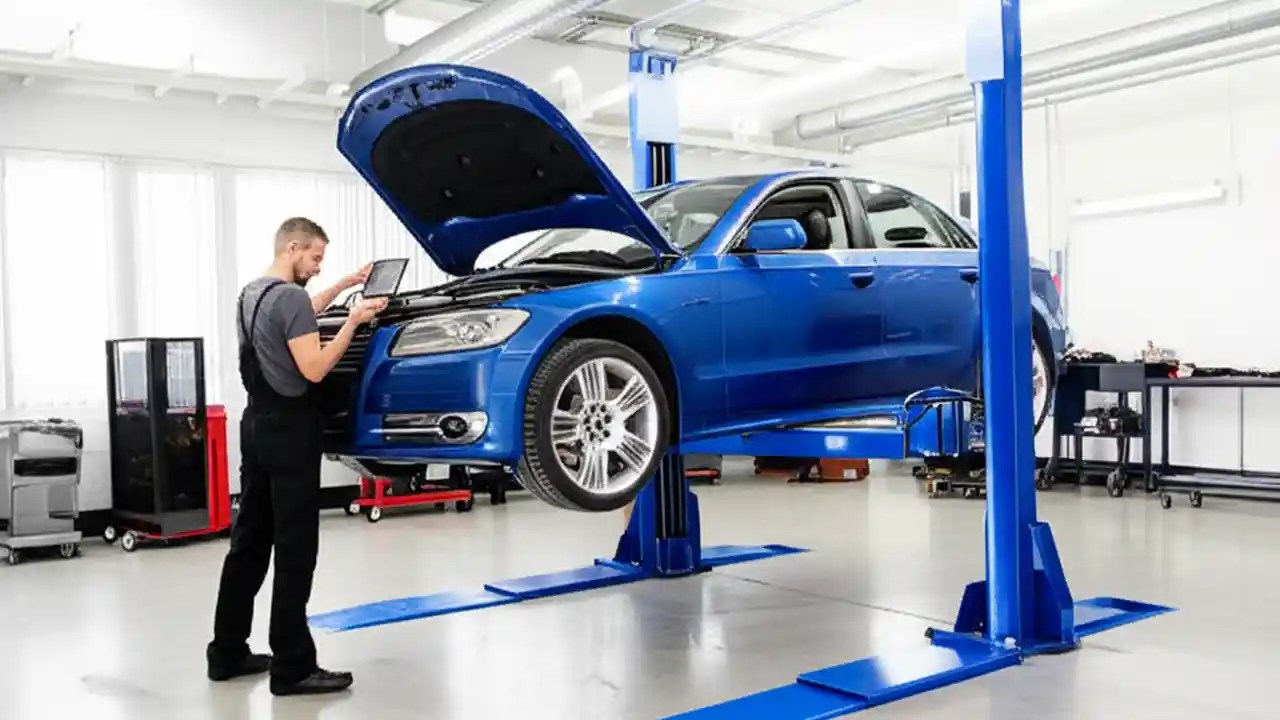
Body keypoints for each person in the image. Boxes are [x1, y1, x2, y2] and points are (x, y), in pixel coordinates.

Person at [206, 217, 387, 696]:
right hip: (290, 433)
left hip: (256, 429)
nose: (316, 267)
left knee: (249, 543)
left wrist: (344, 285)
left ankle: (227, 652)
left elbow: (299, 311)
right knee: (295, 549)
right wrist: (353, 321)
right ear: (293, 247)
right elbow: (315, 367)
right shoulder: (288, 298)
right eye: (315, 259)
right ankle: (292, 667)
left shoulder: (253, 292)